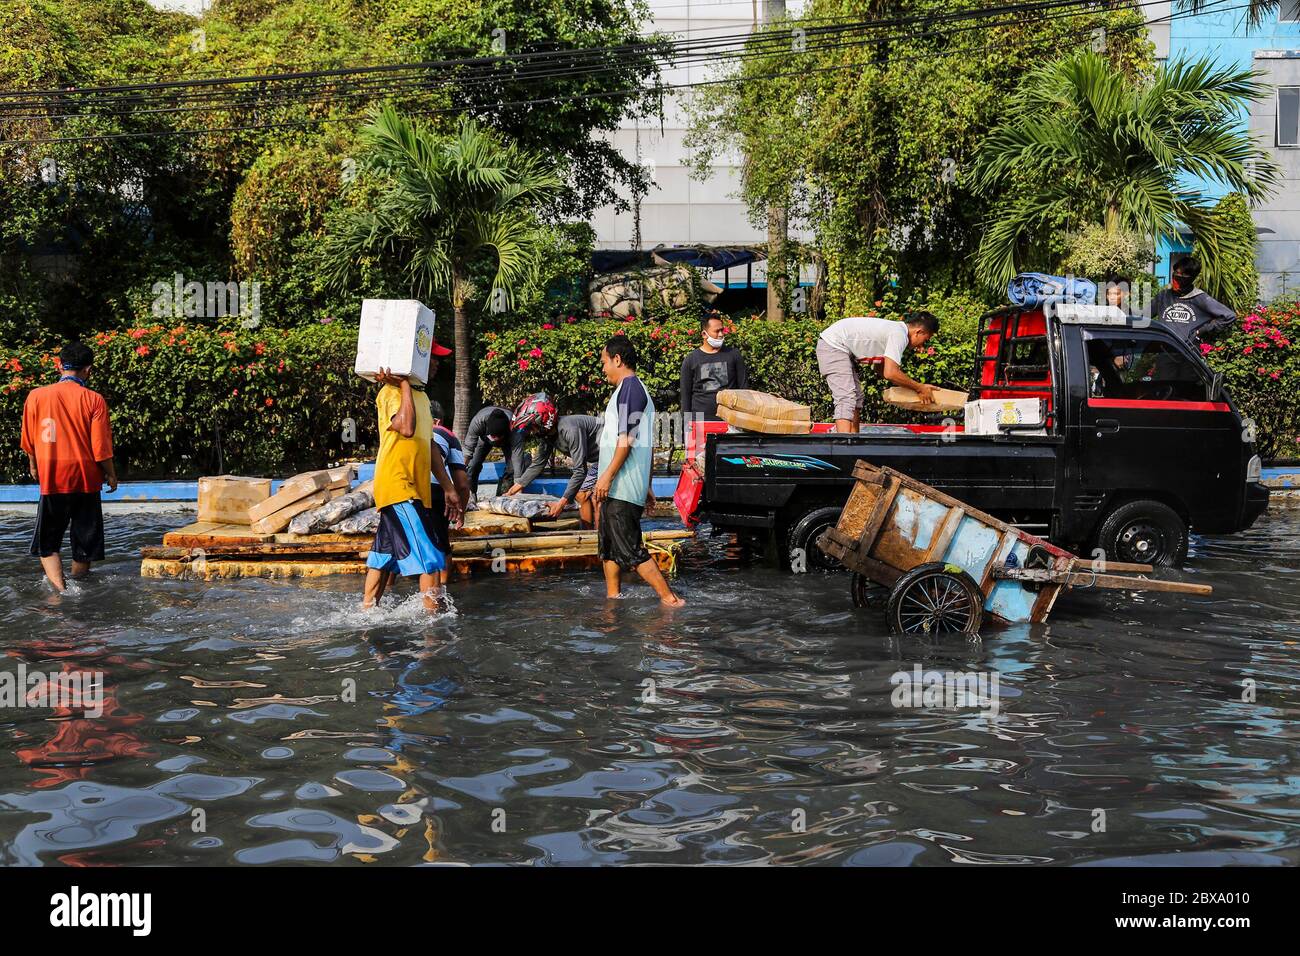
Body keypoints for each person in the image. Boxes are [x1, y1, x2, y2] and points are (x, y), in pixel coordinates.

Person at [362, 341, 462, 613]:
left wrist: (448, 488)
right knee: (429, 557)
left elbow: (428, 445)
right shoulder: (390, 392)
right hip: (398, 485)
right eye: (433, 358)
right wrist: (403, 384)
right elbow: (406, 428)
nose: (437, 363)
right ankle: (436, 625)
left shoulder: (422, 397)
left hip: (416, 489)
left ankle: (366, 613)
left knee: (382, 555)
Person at [593, 335, 684, 607]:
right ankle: (613, 597)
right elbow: (645, 444)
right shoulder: (626, 390)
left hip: (620, 486)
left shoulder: (631, 388)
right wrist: (647, 485)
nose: (603, 368)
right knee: (608, 547)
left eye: (604, 362)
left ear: (617, 360)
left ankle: (670, 599)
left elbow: (628, 441)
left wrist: (607, 476)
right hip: (620, 485)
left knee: (631, 549)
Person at [20, 341, 117, 592]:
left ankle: (61, 592)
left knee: (48, 543)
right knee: (85, 544)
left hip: (52, 477)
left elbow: (29, 440)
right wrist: (112, 475)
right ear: (89, 370)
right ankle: (79, 589)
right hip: (86, 479)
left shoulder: (35, 396)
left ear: (59, 366)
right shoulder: (94, 400)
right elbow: (101, 448)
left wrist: (34, 466)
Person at [816, 312, 939, 433]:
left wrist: (916, 388)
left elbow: (881, 369)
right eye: (925, 340)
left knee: (857, 397)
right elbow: (891, 373)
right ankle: (843, 447)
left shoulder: (896, 331)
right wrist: (919, 388)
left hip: (839, 346)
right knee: (846, 397)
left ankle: (853, 442)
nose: (922, 346)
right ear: (919, 332)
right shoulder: (899, 335)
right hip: (833, 345)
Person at [429, 398, 472, 586]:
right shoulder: (447, 435)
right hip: (433, 489)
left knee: (393, 547)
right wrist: (460, 512)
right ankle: (442, 591)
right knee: (441, 544)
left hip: (399, 489)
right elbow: (462, 484)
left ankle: (385, 591)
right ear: (438, 422)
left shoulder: (403, 430)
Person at [1151, 255, 1236, 345]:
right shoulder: (1163, 296)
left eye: (1183, 274)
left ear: (1192, 278)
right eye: (1176, 272)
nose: (1178, 277)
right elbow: (1142, 316)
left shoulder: (1200, 298)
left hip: (1186, 353)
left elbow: (1229, 316)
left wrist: (1202, 331)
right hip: (1161, 350)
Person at [679, 312, 748, 421]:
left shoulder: (734, 355)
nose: (721, 334)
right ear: (704, 334)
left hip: (730, 421)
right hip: (700, 422)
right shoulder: (691, 360)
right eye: (716, 331)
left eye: (722, 330)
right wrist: (688, 424)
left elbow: (744, 390)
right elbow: (685, 396)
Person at [543, 414, 604, 526]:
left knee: (597, 498)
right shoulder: (547, 436)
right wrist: (512, 491)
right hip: (600, 459)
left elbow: (580, 470)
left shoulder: (570, 429)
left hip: (611, 455)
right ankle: (589, 534)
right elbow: (537, 463)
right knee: (582, 495)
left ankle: (598, 537)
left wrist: (561, 504)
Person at [463, 405, 530, 498]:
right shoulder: (478, 421)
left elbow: (517, 463)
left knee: (512, 469)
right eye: (493, 436)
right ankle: (470, 496)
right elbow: (468, 450)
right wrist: (460, 475)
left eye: (497, 437)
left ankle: (503, 497)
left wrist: (519, 493)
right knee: (473, 465)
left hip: (508, 441)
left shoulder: (515, 429)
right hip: (484, 439)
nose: (494, 440)